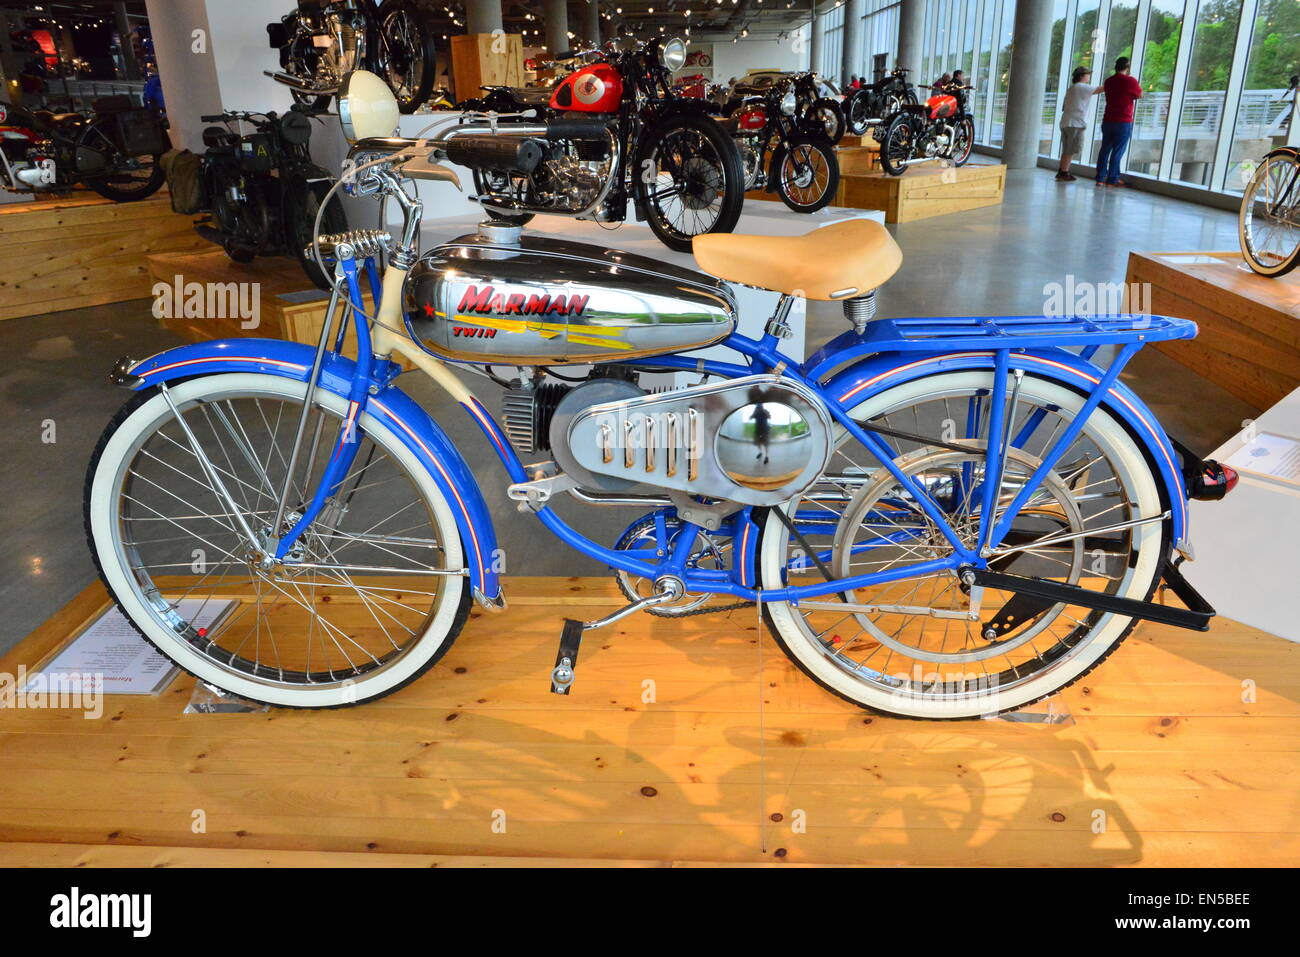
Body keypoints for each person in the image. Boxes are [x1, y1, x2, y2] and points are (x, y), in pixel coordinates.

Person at [1095, 56, 1142, 187]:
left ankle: (1100, 178)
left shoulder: (1109, 81)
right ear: (1127, 67)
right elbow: (1139, 95)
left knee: (1105, 149)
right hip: (1123, 121)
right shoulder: (1130, 81)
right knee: (1118, 151)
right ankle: (1112, 179)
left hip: (1108, 119)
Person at [1057, 66, 1099, 182]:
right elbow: (1101, 89)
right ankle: (1064, 173)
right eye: (1087, 74)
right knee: (1070, 150)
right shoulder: (1082, 87)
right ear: (1082, 76)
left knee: (1067, 149)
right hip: (1075, 123)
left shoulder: (1072, 88)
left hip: (1066, 122)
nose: (1089, 76)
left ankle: (1062, 171)